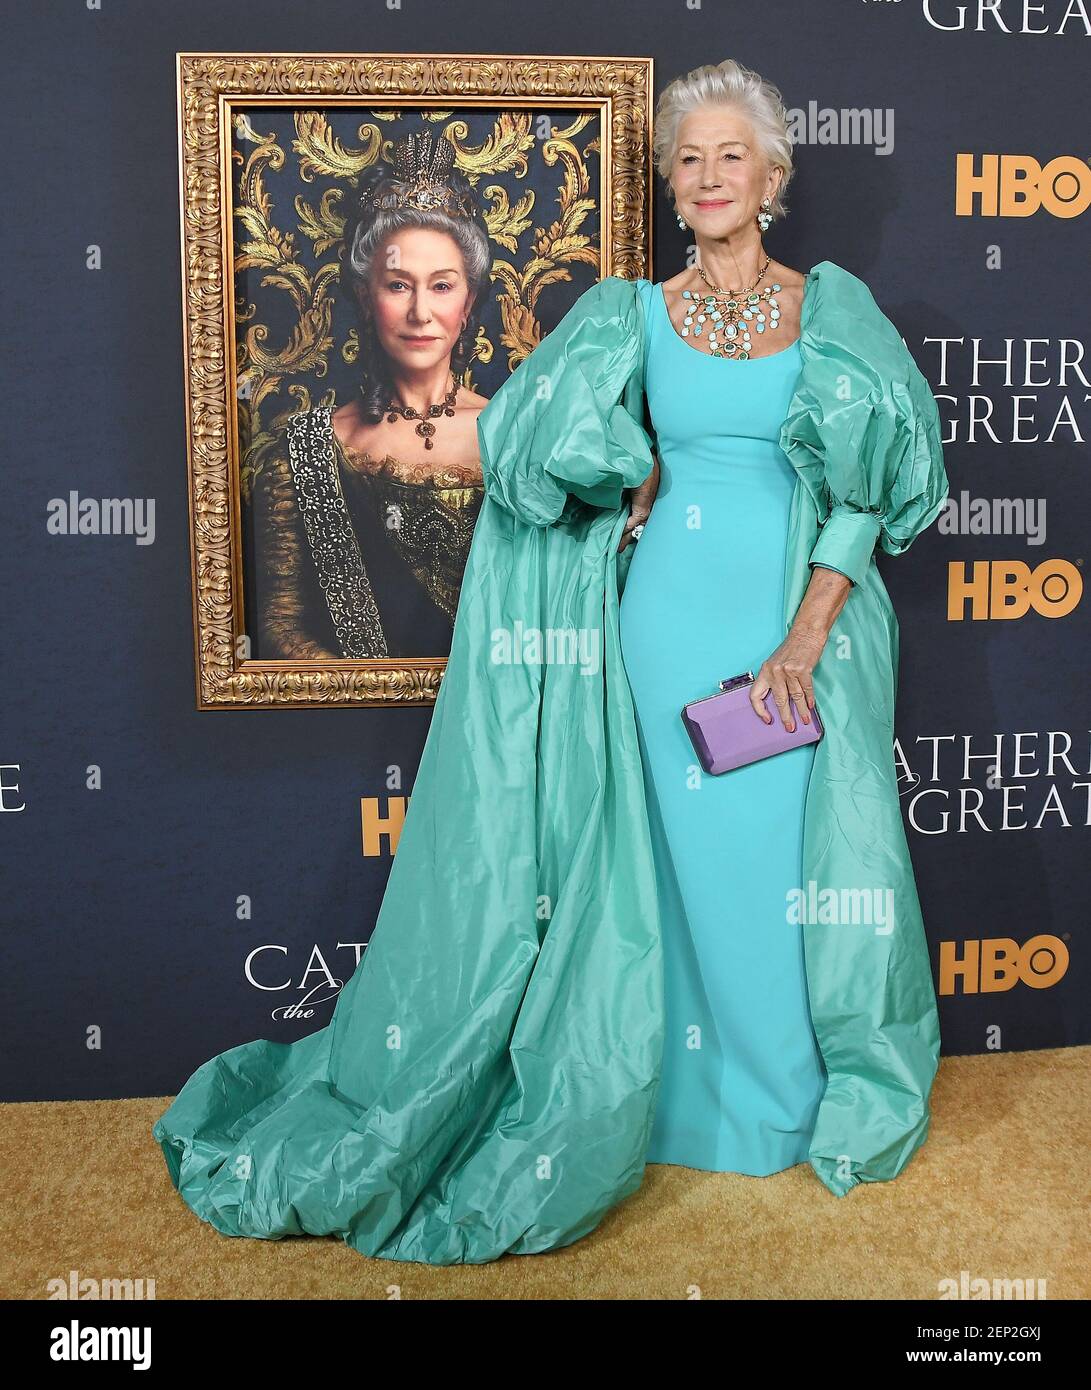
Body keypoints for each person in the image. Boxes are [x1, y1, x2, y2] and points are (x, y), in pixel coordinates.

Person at [153, 60, 948, 1265]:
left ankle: (779, 1098)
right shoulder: (631, 312)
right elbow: (528, 442)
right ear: (670, 185)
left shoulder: (831, 307)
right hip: (659, 622)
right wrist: (625, 467)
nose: (707, 176)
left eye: (730, 155)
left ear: (772, 176)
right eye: (686, 158)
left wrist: (806, 627)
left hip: (797, 635)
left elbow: (875, 483)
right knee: (656, 867)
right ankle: (660, 1097)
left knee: (775, 867)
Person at [252, 129, 490, 660]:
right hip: (353, 725)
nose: (421, 313)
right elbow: (284, 634)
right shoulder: (306, 455)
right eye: (398, 284)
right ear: (365, 295)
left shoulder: (521, 436)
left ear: (468, 301)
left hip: (498, 726)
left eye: (442, 286)